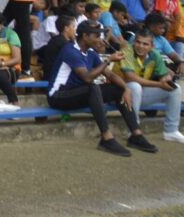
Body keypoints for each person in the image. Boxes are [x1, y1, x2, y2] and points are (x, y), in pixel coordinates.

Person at [47, 21, 153, 156]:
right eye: (96, 36)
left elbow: (109, 74)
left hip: (79, 92)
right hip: (58, 96)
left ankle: (136, 135)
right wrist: (108, 61)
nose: (100, 39)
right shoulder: (70, 50)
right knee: (92, 87)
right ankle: (106, 138)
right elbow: (87, 77)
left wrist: (125, 88)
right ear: (85, 36)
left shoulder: (91, 52)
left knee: (118, 90)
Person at [117, 29, 184, 144]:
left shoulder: (155, 54)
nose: (140, 46)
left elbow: (163, 75)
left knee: (175, 89)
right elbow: (130, 77)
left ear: (151, 46)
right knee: (134, 85)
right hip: (119, 94)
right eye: (138, 42)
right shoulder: (127, 51)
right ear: (133, 42)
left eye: (145, 44)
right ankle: (133, 128)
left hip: (138, 95)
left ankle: (171, 131)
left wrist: (166, 79)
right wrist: (159, 84)